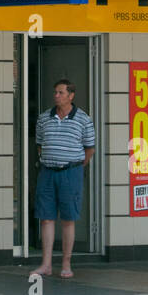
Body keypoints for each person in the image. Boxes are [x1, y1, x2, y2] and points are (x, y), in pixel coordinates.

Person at [31, 79, 96, 279]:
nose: (56, 96)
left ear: (71, 95)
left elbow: (89, 149)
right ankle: (46, 264)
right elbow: (39, 144)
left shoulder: (83, 119)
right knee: (46, 218)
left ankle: (66, 263)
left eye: (60, 92)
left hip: (71, 172)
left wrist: (75, 165)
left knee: (68, 219)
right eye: (56, 92)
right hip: (47, 172)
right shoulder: (44, 118)